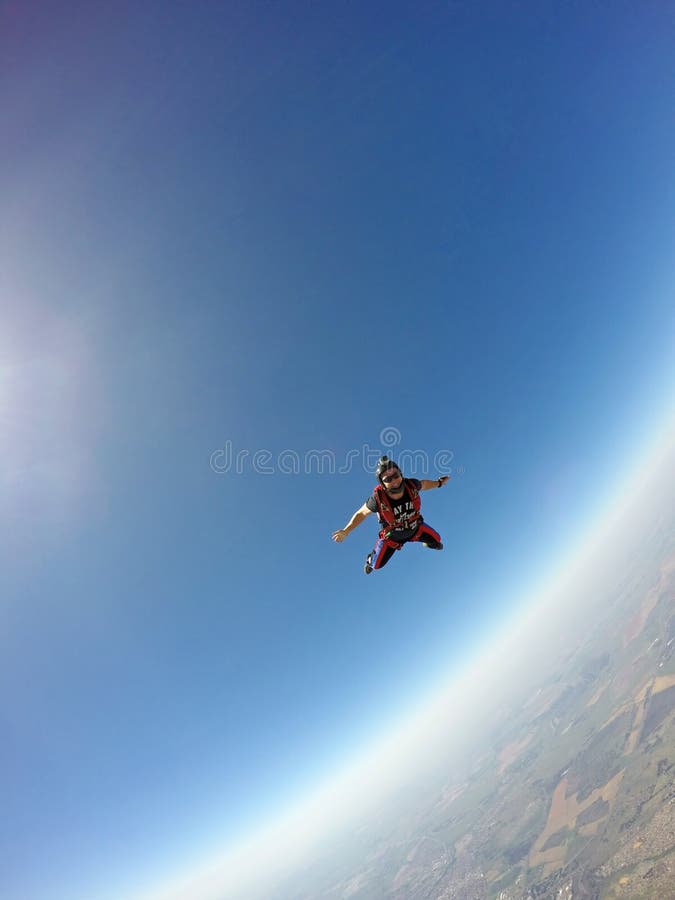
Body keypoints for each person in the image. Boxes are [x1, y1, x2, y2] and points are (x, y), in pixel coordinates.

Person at [332, 456, 450, 573]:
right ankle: (370, 560)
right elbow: (361, 513)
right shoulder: (377, 499)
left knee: (437, 540)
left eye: (396, 476)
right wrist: (346, 530)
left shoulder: (412, 485)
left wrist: (439, 483)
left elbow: (424, 484)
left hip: (416, 528)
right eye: (388, 479)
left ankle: (428, 543)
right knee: (376, 565)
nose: (394, 481)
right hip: (392, 537)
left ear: (401, 474)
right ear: (382, 483)